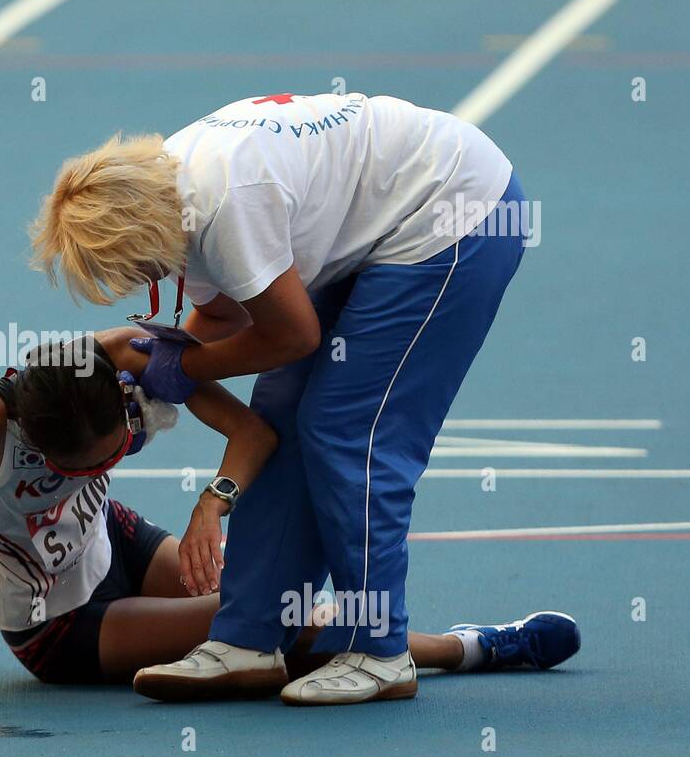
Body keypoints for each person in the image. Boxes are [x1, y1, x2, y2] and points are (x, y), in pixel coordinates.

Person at [31, 92, 534, 704]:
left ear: (145, 233)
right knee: (284, 415)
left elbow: (294, 336)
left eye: (132, 268)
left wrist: (180, 365)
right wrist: (164, 361)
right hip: (376, 226)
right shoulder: (171, 194)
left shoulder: (225, 205)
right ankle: (247, 638)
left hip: (453, 213)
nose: (136, 282)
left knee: (349, 430)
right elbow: (220, 319)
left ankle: (381, 651)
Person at [0, 330, 578, 692]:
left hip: (116, 542)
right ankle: (476, 646)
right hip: (55, 624)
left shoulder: (125, 359)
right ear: (44, 445)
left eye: (116, 448)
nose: (109, 461)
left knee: (257, 613)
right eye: (89, 463)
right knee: (272, 618)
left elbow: (254, 432)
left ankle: (398, 647)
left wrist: (211, 505)